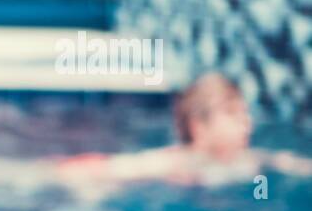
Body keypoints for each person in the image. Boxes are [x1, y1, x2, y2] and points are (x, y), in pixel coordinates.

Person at [58, 73, 312, 186]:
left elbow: (291, 164)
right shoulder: (176, 162)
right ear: (198, 126)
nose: (247, 123)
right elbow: (106, 169)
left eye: (245, 114)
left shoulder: (252, 161)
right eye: (232, 114)